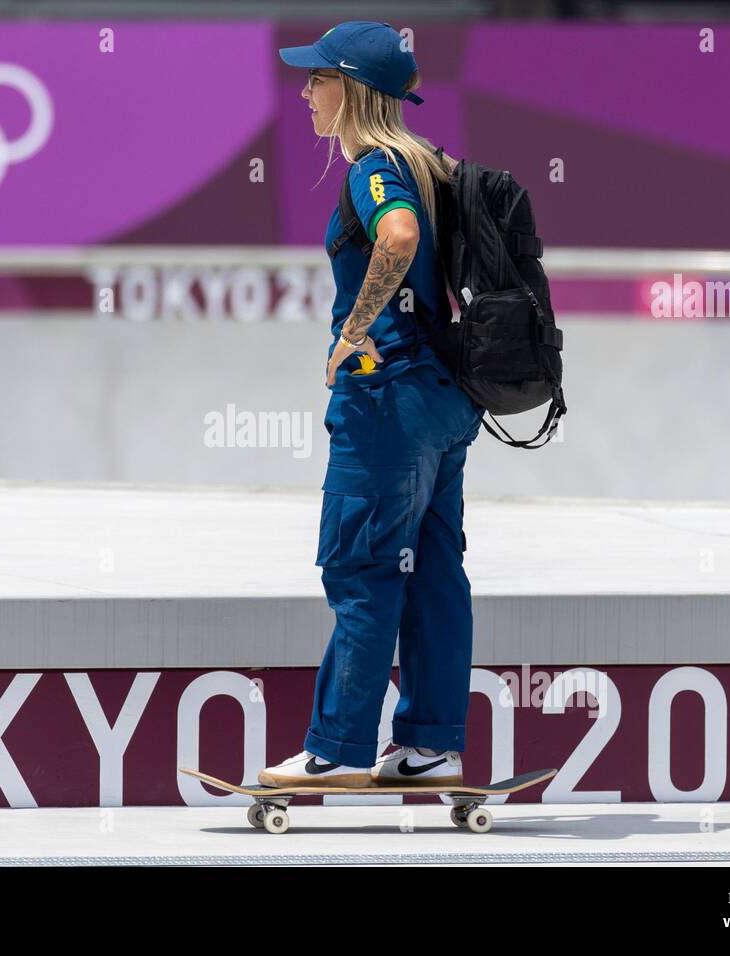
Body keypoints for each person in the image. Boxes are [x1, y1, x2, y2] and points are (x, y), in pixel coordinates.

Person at [259, 21, 484, 790]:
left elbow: (395, 236)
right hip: (448, 398)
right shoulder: (432, 164)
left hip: (386, 399)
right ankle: (430, 744)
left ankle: (334, 746)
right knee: (434, 571)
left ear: (351, 88)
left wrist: (353, 332)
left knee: (361, 569)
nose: (305, 91)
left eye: (318, 79)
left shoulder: (376, 170)